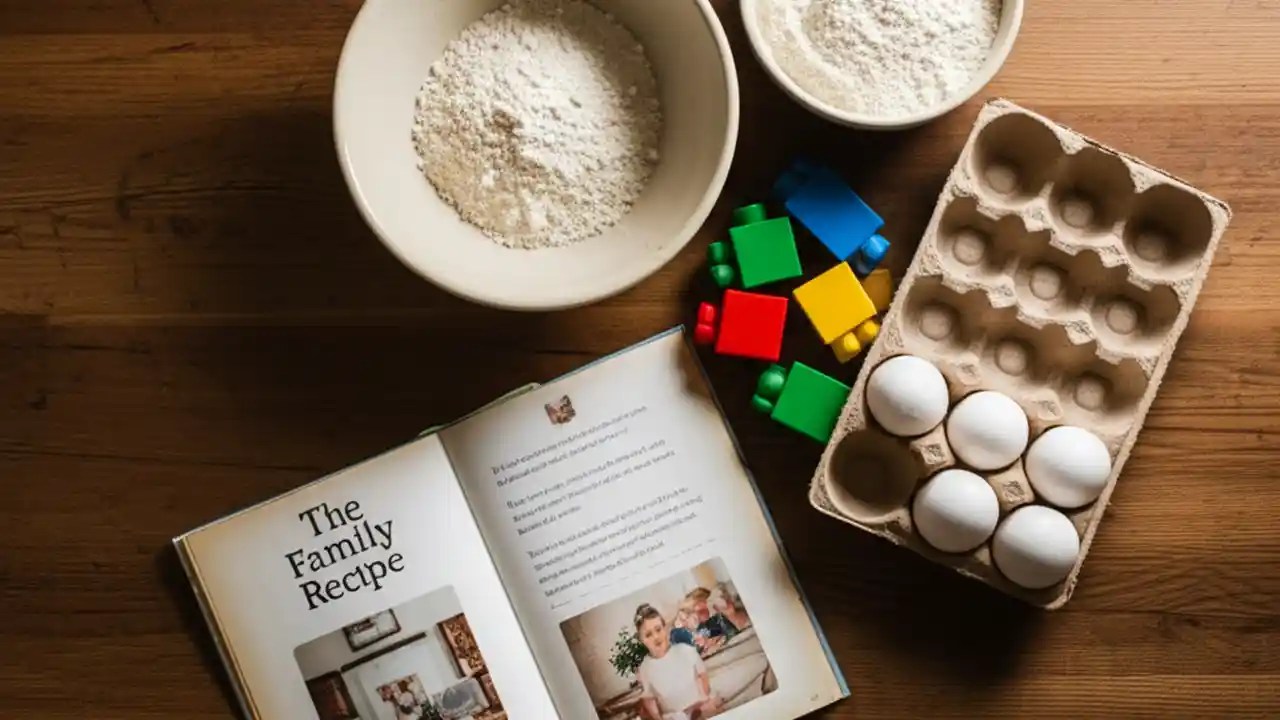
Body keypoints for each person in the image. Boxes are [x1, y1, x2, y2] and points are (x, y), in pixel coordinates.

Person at [633, 603, 722, 720]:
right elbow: (650, 698)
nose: (656, 637)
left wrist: (702, 702)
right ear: (641, 640)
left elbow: (703, 676)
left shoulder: (685, 651)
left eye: (658, 630)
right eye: (648, 635)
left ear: (665, 629)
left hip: (699, 708)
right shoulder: (645, 667)